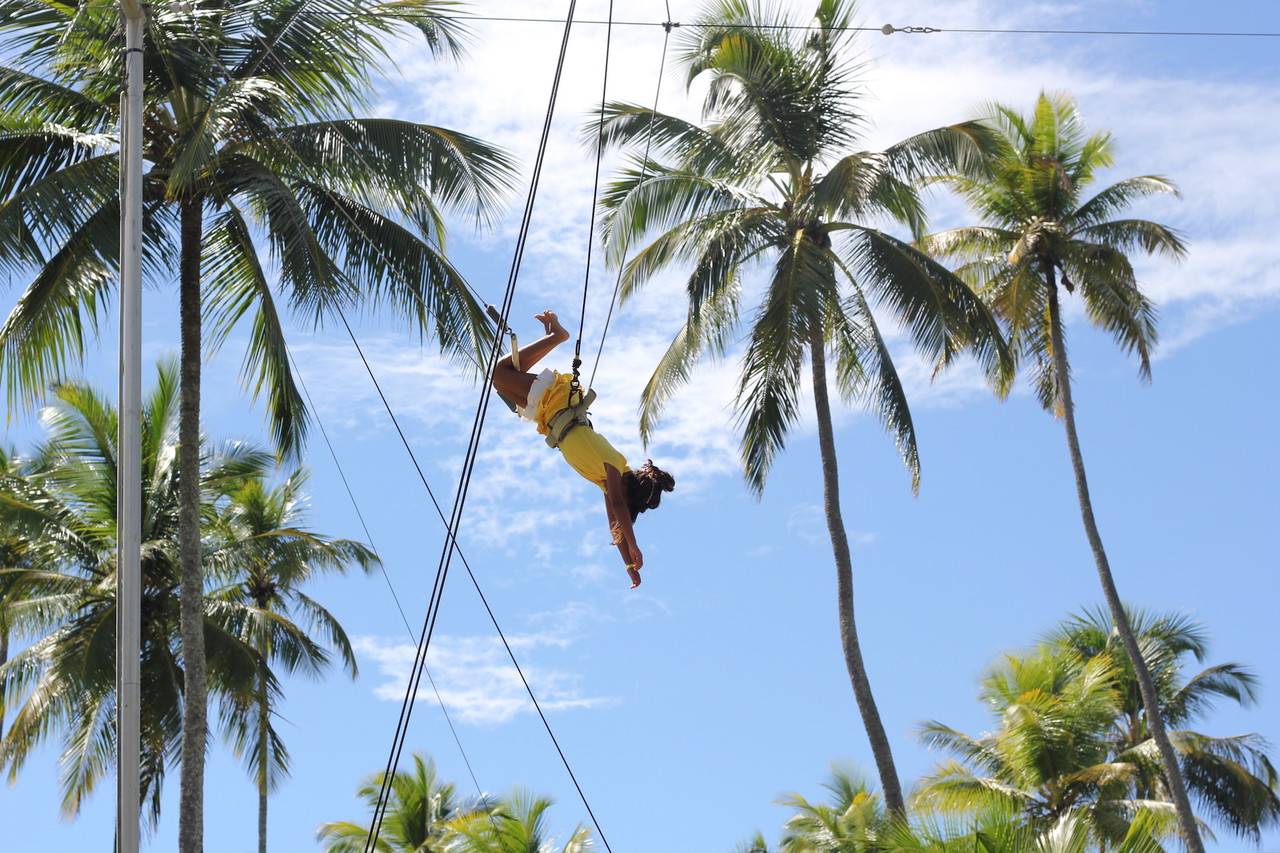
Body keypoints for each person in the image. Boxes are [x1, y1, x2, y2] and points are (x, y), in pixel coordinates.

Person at [491, 310, 674, 588]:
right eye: (623, 498)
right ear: (628, 485)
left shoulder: (605, 483)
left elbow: (615, 523)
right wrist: (635, 545)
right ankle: (557, 336)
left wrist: (629, 564)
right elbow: (617, 505)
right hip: (558, 401)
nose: (616, 499)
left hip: (547, 414)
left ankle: (554, 336)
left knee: (500, 378)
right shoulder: (613, 463)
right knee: (499, 373)